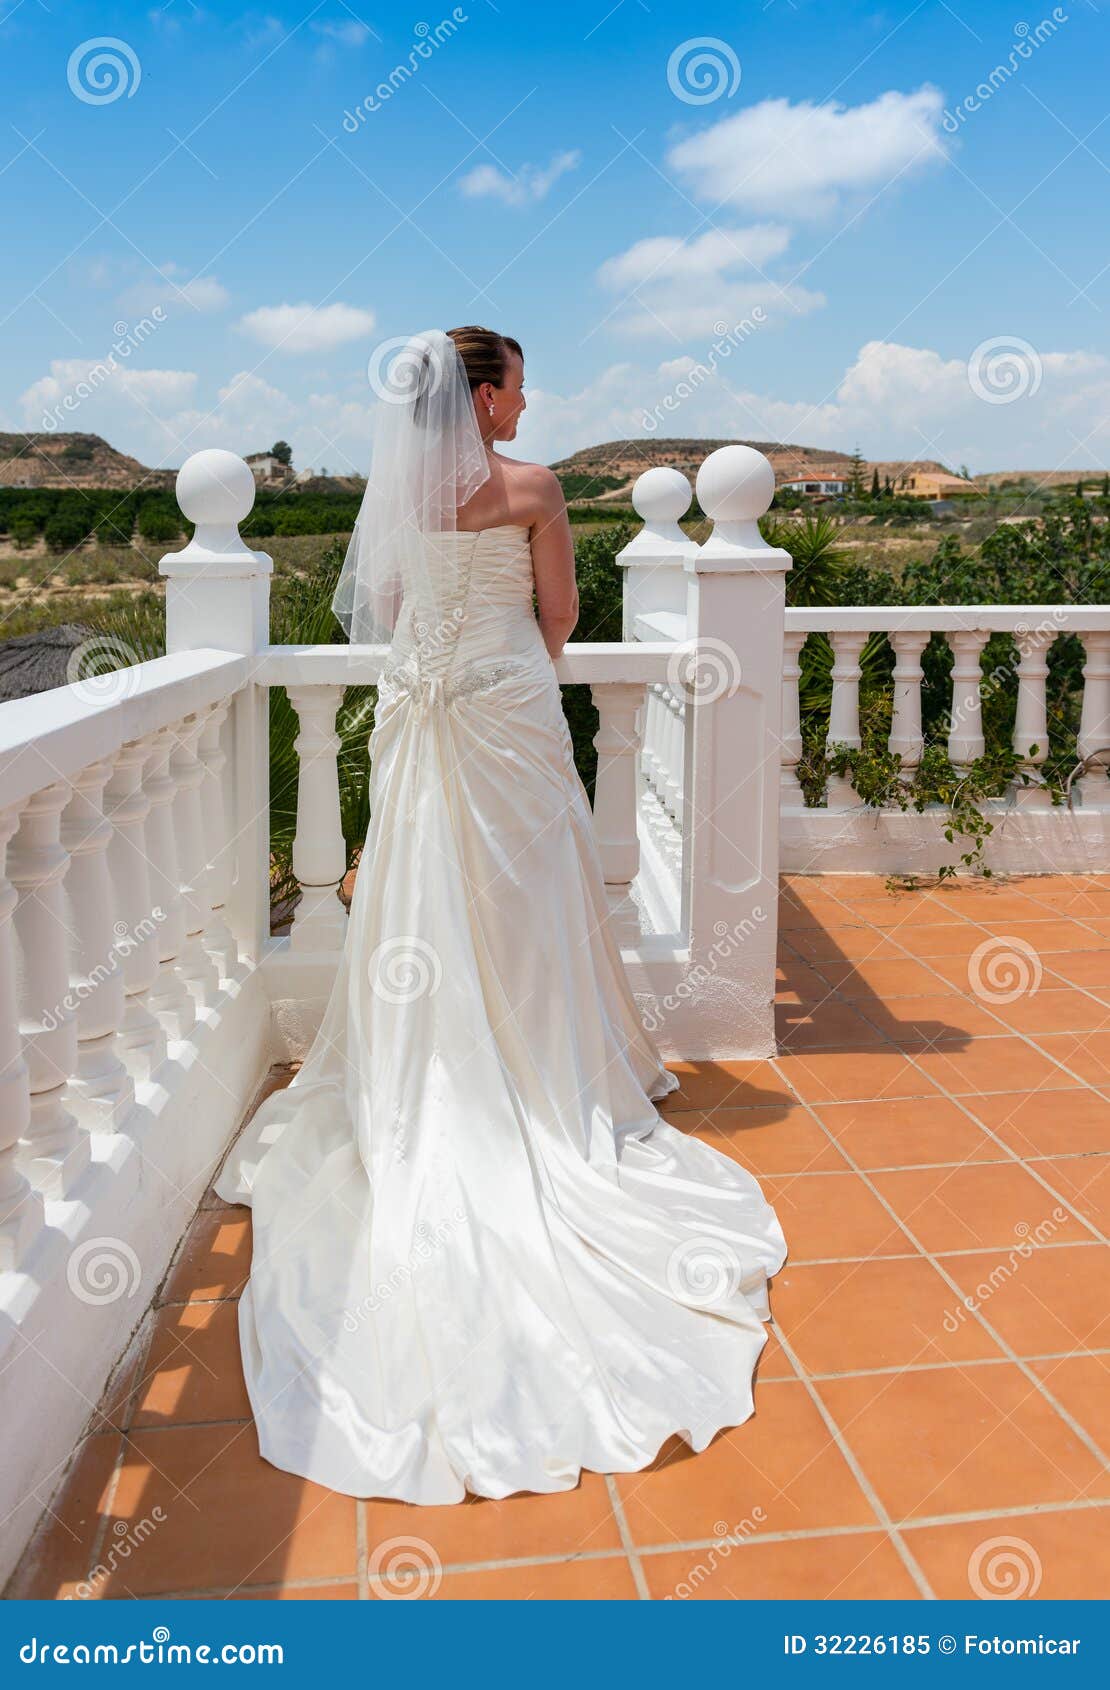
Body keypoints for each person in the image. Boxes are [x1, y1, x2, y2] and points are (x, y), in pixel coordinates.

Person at [215, 326, 787, 1504]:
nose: (529, 400)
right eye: (519, 382)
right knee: (530, 905)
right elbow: (562, 618)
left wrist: (437, 660)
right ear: (482, 395)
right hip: (509, 715)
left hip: (424, 719)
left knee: (424, 904)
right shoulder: (532, 490)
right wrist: (496, 657)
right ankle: (548, 1072)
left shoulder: (396, 496)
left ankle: (446, 1078)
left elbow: (381, 605)